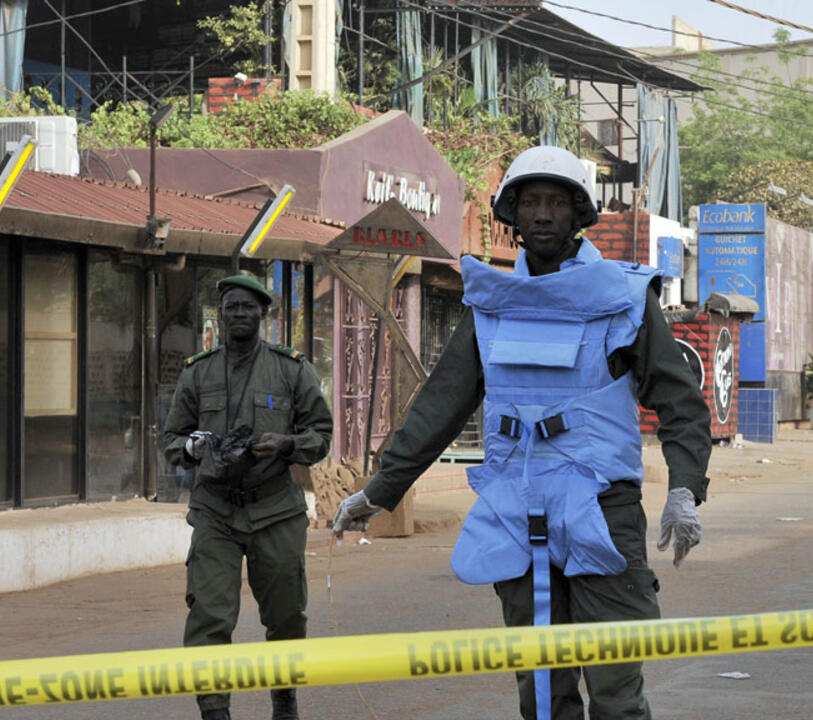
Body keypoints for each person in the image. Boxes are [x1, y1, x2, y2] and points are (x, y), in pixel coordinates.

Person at [333, 146, 713, 720]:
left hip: (601, 507)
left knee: (615, 687)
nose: (541, 215)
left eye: (555, 202)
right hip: (515, 506)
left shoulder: (625, 298)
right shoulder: (492, 303)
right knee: (539, 691)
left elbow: (680, 402)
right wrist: (379, 491)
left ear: (579, 213)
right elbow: (440, 404)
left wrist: (684, 489)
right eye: (529, 202)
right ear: (511, 214)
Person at [163, 273, 333, 720]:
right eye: (231, 307)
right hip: (215, 510)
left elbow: (321, 434)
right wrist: (194, 448)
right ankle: (214, 711)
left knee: (286, 616)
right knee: (209, 615)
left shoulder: (291, 368)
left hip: (275, 507)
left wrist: (287, 444)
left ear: (263, 314)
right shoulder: (197, 372)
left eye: (248, 307)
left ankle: (284, 701)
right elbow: (170, 440)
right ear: (220, 315)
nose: (239, 314)